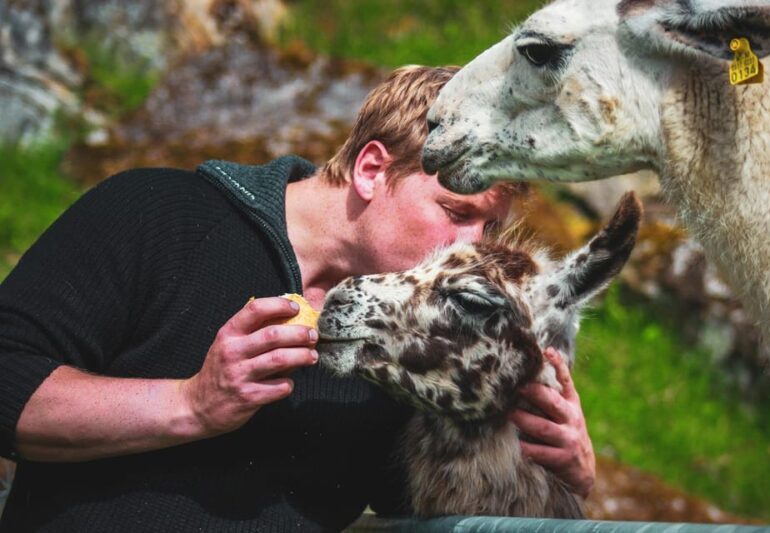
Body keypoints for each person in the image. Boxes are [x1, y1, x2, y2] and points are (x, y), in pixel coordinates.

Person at [0, 66, 594, 532]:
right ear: (370, 170)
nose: (473, 249)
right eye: (456, 213)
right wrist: (190, 404)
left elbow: (420, 509)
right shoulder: (158, 214)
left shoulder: (415, 339)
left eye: (489, 229)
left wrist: (560, 472)